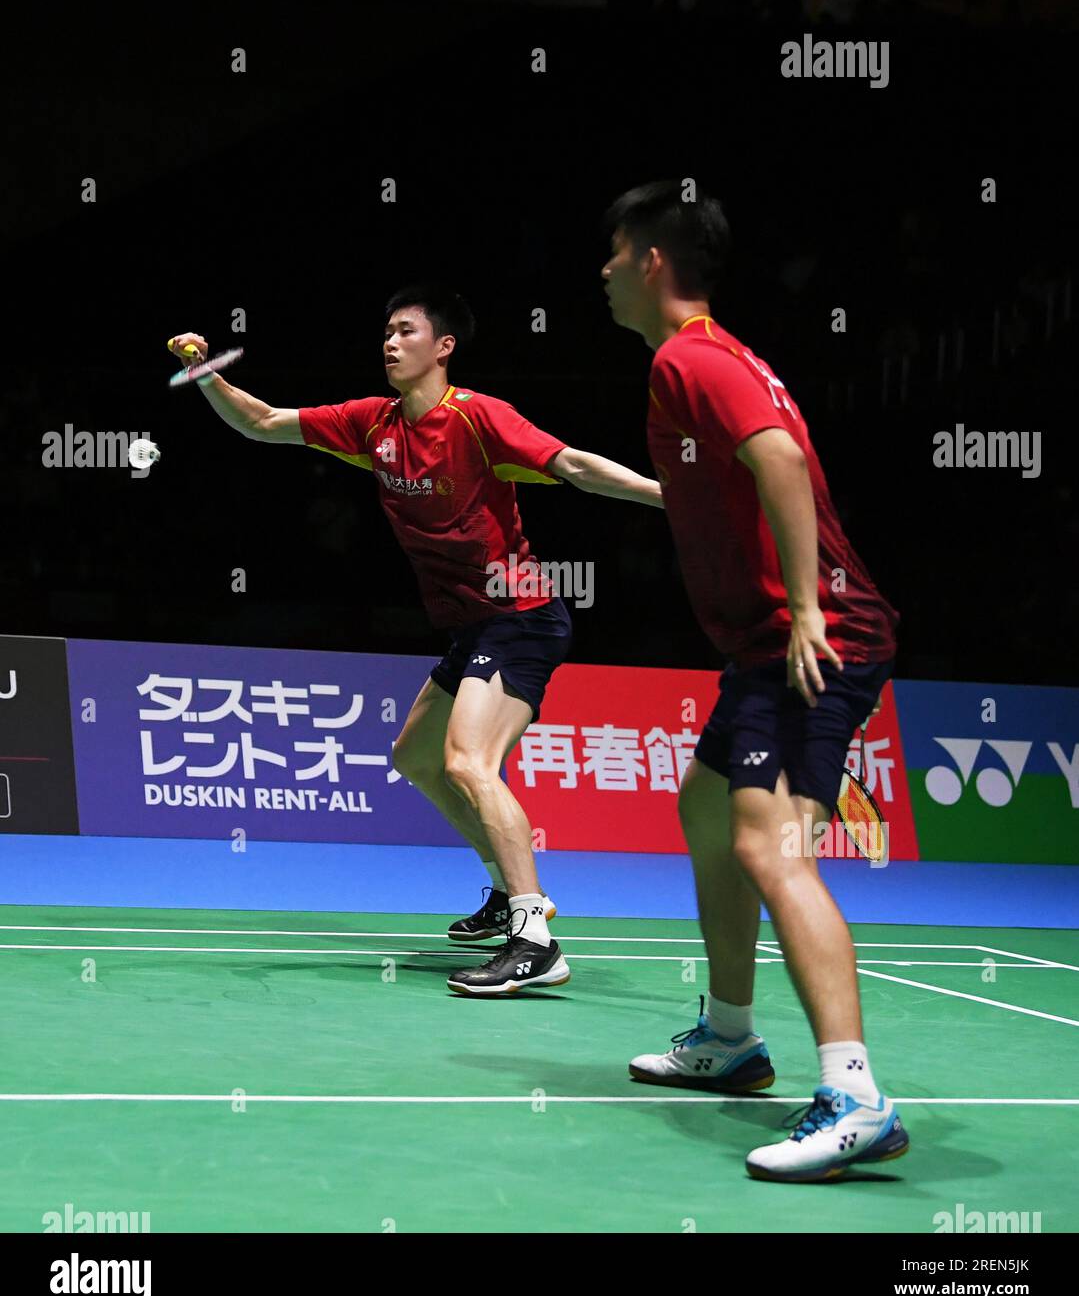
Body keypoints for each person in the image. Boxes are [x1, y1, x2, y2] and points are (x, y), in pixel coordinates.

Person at [167, 283, 662, 996]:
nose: (389, 343)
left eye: (404, 331)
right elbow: (264, 422)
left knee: (467, 760)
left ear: (443, 347)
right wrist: (207, 375)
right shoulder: (374, 424)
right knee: (417, 757)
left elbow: (576, 465)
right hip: (470, 626)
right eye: (386, 332)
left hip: (519, 617)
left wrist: (667, 497)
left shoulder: (477, 416)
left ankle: (535, 937)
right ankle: (504, 890)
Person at [599, 182, 907, 1181]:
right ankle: (729, 1035)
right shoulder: (701, 362)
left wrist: (810, 612)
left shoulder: (692, 356)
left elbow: (776, 459)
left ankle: (853, 1094)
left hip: (810, 639)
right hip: (766, 646)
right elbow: (726, 475)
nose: (600, 270)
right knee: (704, 808)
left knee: (770, 847)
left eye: (612, 253)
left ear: (651, 261)